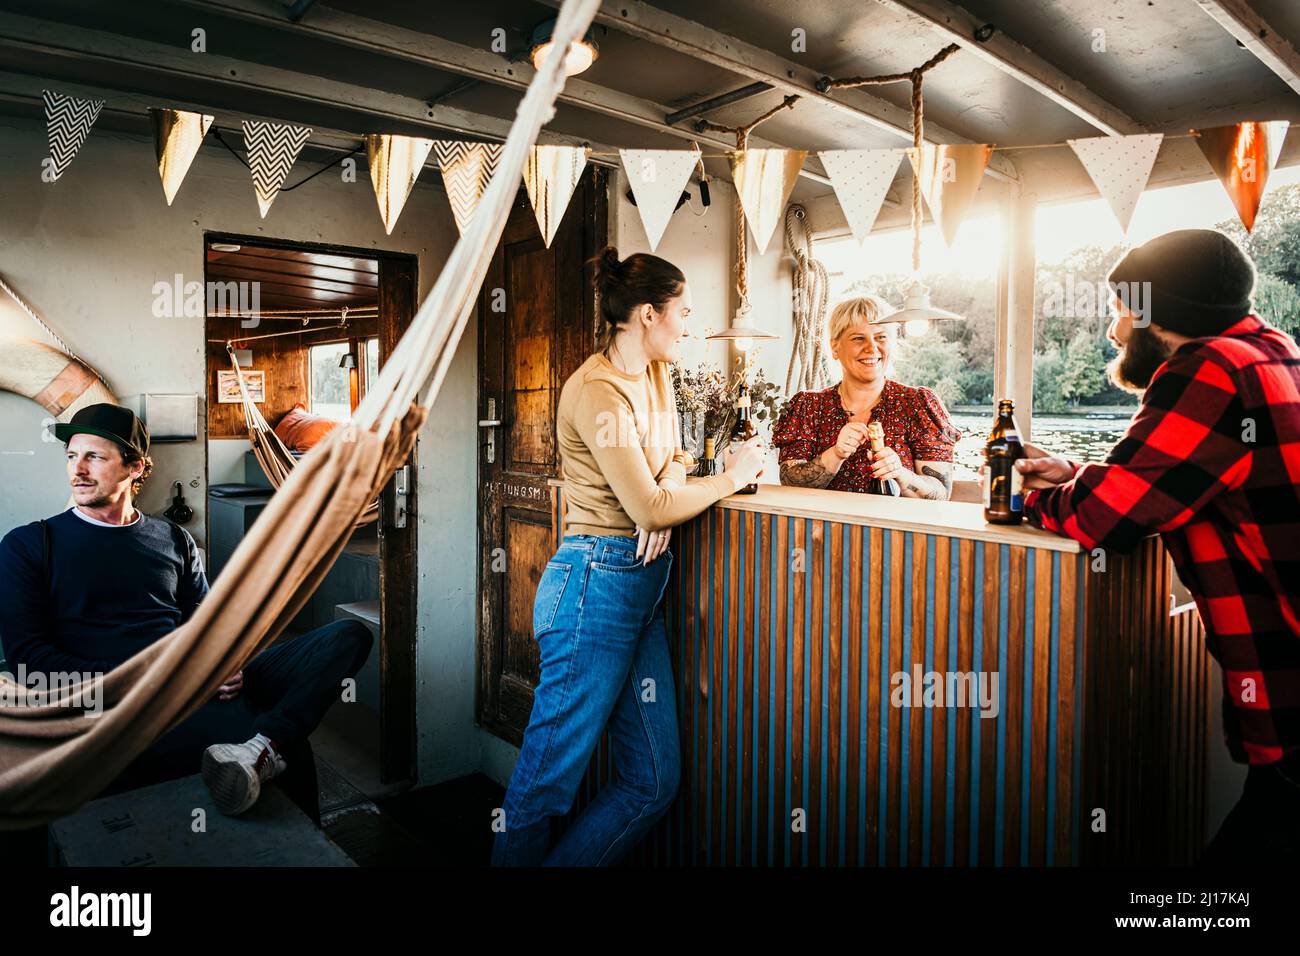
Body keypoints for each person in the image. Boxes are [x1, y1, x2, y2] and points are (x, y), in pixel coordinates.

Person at [1013, 229, 1300, 865]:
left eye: (1120, 310)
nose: (1114, 331)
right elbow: (1172, 483)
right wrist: (1074, 472)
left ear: (1152, 315)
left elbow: (1103, 519)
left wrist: (1022, 500)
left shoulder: (1208, 372)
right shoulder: (1271, 354)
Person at [491, 247, 766, 866]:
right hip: (593, 591)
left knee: (653, 781)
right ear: (647, 314)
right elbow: (649, 505)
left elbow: (667, 472)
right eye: (684, 313)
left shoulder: (655, 377)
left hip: (640, 593)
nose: (689, 326)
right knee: (541, 788)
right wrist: (729, 477)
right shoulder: (597, 391)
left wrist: (666, 497)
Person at [0, 403, 373, 822]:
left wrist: (225, 662)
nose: (78, 469)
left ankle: (262, 746)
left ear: (134, 467)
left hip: (196, 684)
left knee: (347, 637)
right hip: (117, 701)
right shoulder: (30, 545)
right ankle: (265, 744)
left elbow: (207, 626)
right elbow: (28, 660)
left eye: (95, 457)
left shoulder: (173, 539)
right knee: (291, 746)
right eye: (72, 456)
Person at [772, 295, 962, 498]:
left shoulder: (916, 404)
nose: (872, 348)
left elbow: (941, 493)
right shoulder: (809, 406)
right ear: (835, 347)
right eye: (858, 338)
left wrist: (902, 474)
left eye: (881, 337)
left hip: (894, 528)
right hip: (821, 528)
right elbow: (789, 483)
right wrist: (835, 454)